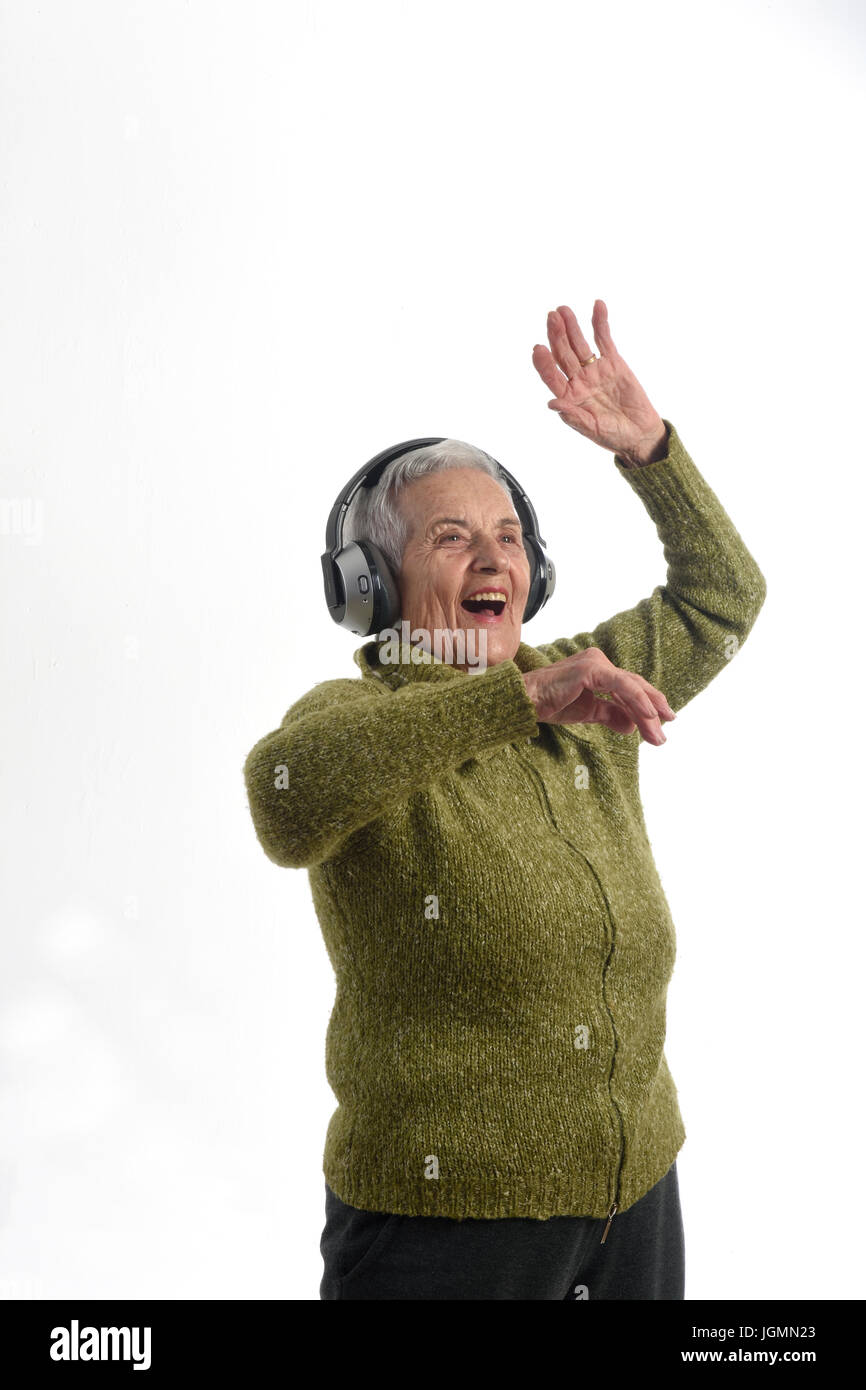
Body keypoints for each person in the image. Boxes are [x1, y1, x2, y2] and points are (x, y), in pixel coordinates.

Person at [243, 301, 767, 1299]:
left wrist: (651, 452)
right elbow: (286, 800)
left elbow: (721, 597)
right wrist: (517, 696)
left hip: (636, 1202)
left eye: (509, 536)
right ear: (370, 585)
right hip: (446, 1233)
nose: (493, 560)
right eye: (451, 537)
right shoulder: (362, 716)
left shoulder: (584, 681)